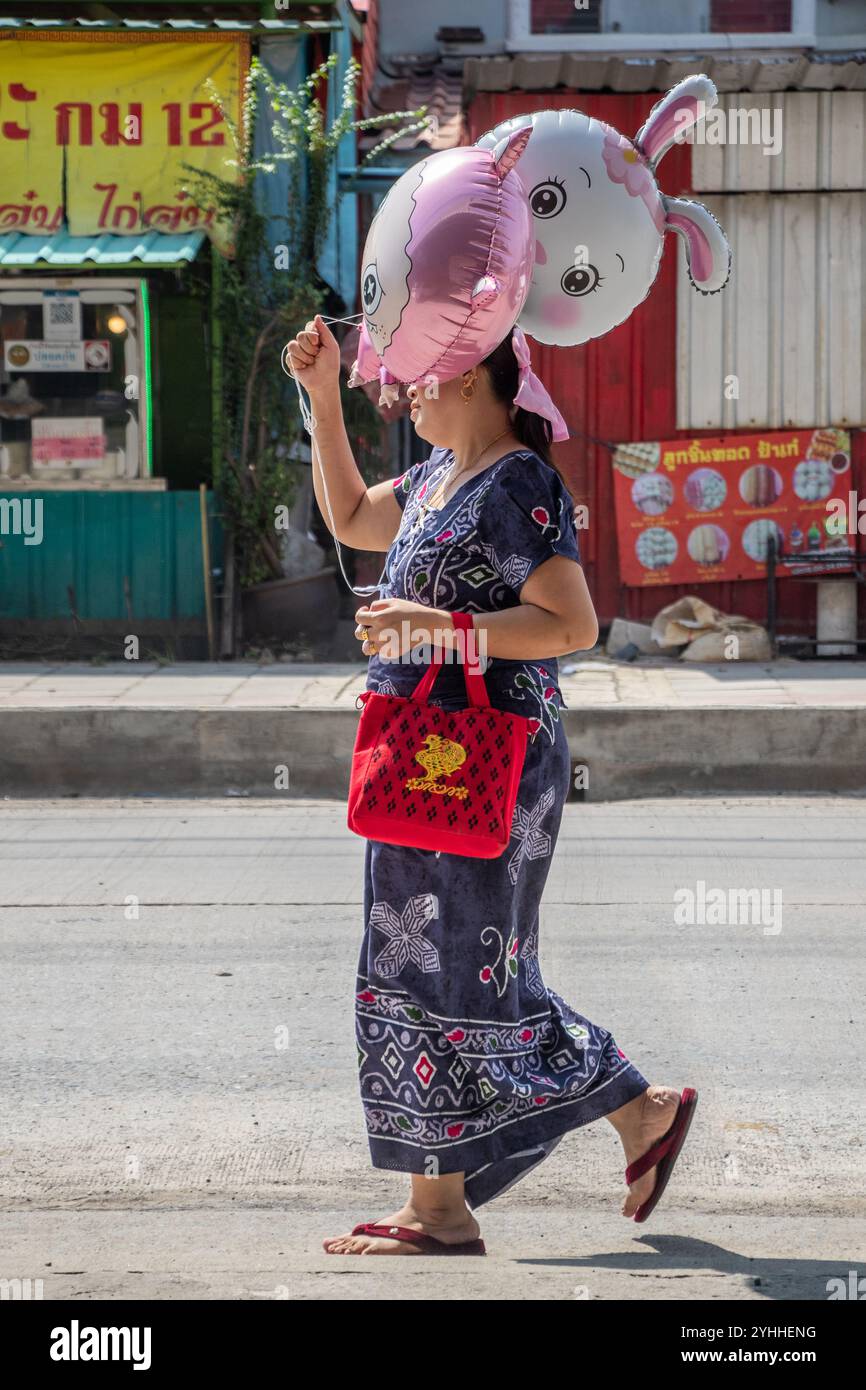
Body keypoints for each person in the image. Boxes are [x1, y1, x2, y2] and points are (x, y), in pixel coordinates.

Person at [285, 314, 696, 1257]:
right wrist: (320, 398)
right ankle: (620, 1120)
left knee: (458, 968)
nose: (405, 393)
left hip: (490, 760)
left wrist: (441, 628)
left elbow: (571, 626)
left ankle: (455, 1200)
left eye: (419, 379)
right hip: (424, 755)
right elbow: (351, 521)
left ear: (471, 376)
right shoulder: (437, 480)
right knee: (427, 964)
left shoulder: (520, 484)